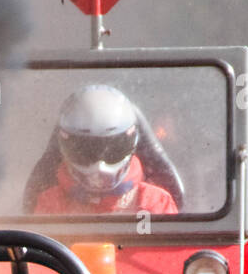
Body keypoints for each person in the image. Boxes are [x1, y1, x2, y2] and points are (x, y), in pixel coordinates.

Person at [31, 85, 180, 217]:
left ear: (131, 143)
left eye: (112, 149)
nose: (99, 165)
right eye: (86, 150)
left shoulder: (153, 202)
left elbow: (172, 248)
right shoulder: (52, 203)